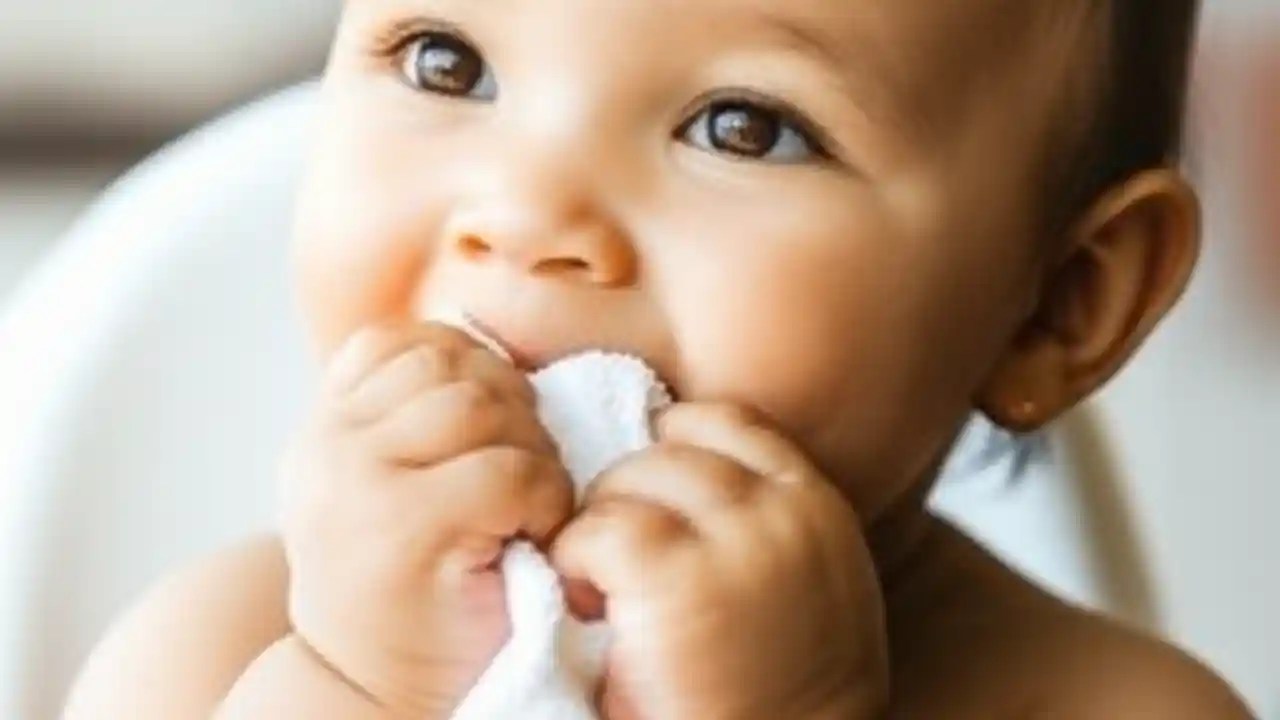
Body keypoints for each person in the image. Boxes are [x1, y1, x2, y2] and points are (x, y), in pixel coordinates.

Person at [63, 0, 1256, 717]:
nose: (525, 216)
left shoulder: (1114, 711)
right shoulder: (208, 658)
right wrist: (356, 690)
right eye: (445, 59)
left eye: (746, 128)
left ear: (1060, 301)